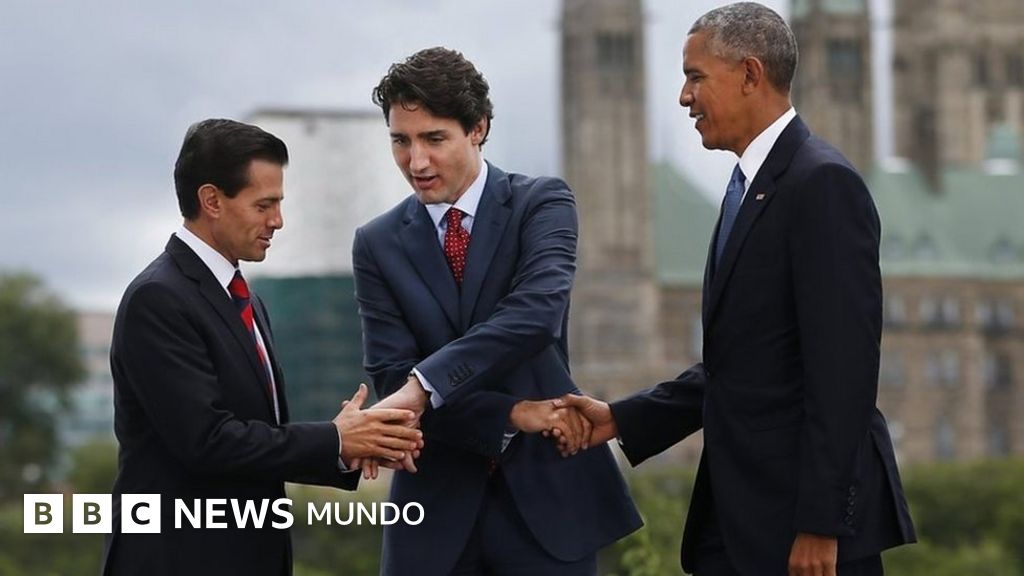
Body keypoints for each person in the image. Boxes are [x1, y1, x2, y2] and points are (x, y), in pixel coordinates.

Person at [558, 4, 916, 575]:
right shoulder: (749, 187)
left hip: (802, 531)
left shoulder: (821, 183)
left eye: (696, 77)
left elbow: (843, 370)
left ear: (751, 75)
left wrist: (821, 524)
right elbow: (744, 363)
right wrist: (623, 418)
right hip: (744, 519)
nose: (682, 97)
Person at [352, 47, 641, 576]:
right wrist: (510, 413)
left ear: (478, 128)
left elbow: (534, 316)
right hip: (433, 519)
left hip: (550, 508)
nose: (416, 162)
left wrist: (422, 388)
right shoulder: (376, 243)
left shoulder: (543, 204)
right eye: (401, 140)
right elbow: (390, 373)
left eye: (433, 139)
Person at [102, 119, 423, 576]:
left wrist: (350, 446)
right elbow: (207, 441)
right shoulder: (159, 299)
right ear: (211, 200)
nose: (278, 220)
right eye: (264, 205)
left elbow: (258, 439)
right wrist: (335, 438)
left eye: (279, 203)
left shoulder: (244, 300)